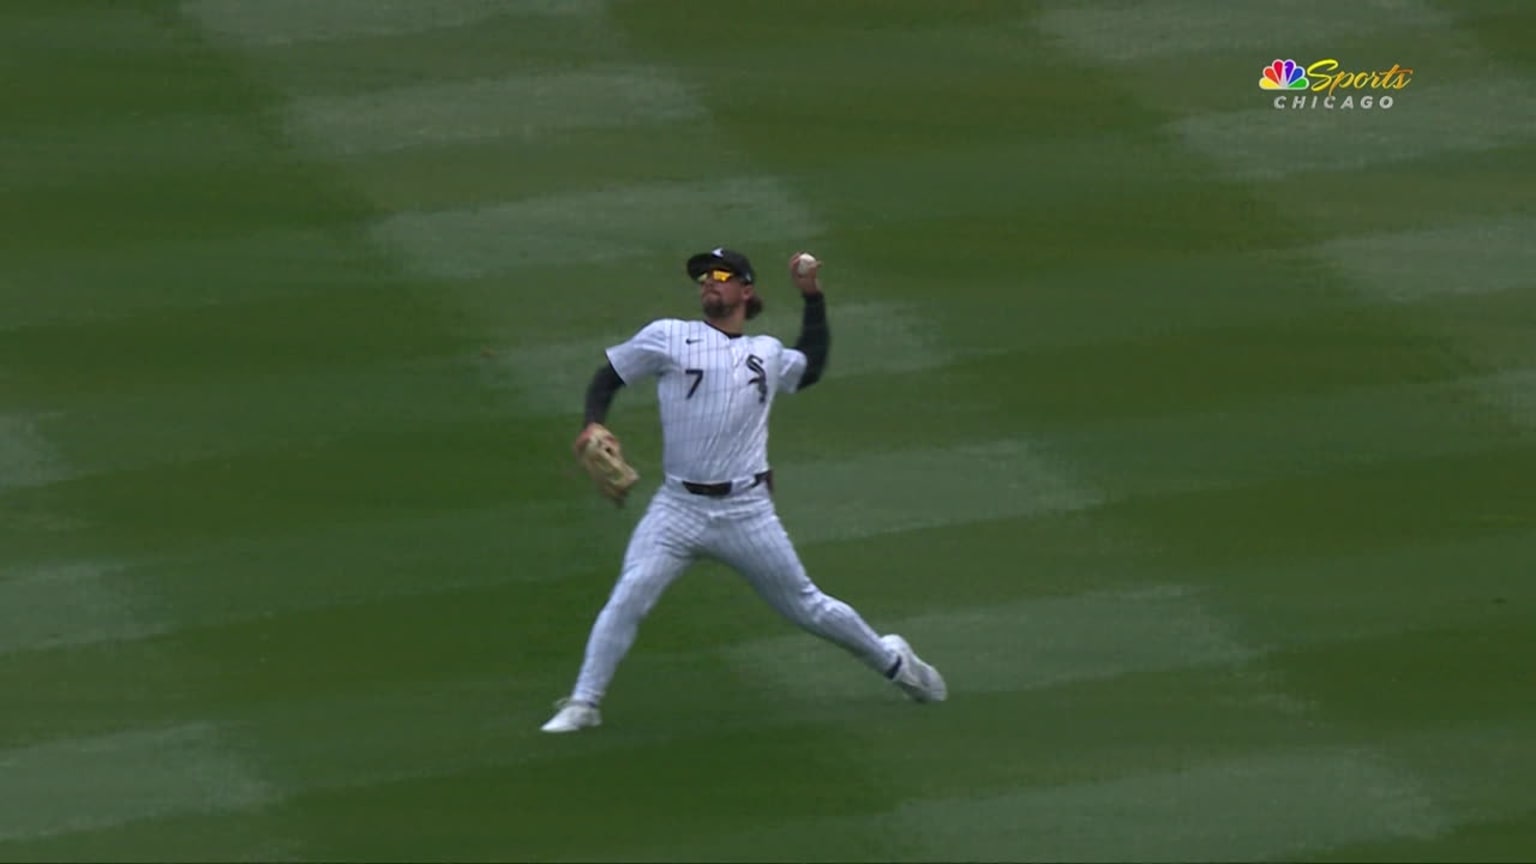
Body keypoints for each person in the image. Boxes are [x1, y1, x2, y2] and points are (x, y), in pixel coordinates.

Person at [540, 247, 946, 733]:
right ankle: (585, 703)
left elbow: (811, 366)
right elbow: (607, 378)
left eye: (721, 275)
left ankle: (899, 666)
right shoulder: (668, 336)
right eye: (703, 277)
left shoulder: (767, 353)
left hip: (745, 512)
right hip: (677, 509)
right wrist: (592, 424)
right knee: (629, 596)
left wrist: (812, 297)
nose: (708, 282)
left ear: (745, 290)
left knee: (808, 607)